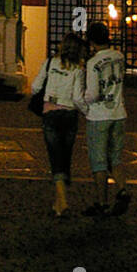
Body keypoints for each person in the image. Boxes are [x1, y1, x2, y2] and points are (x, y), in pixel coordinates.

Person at [30, 32, 86, 217]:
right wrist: (87, 111)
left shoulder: (50, 63)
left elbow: (35, 87)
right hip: (70, 114)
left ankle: (61, 201)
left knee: (55, 157)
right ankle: (58, 202)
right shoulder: (78, 69)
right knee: (65, 156)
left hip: (51, 114)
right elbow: (78, 97)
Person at [83, 21, 129, 217]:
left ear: (91, 41)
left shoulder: (93, 63)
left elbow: (93, 94)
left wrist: (81, 100)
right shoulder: (119, 56)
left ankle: (101, 202)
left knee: (99, 162)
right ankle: (122, 189)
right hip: (119, 113)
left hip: (99, 115)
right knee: (115, 159)